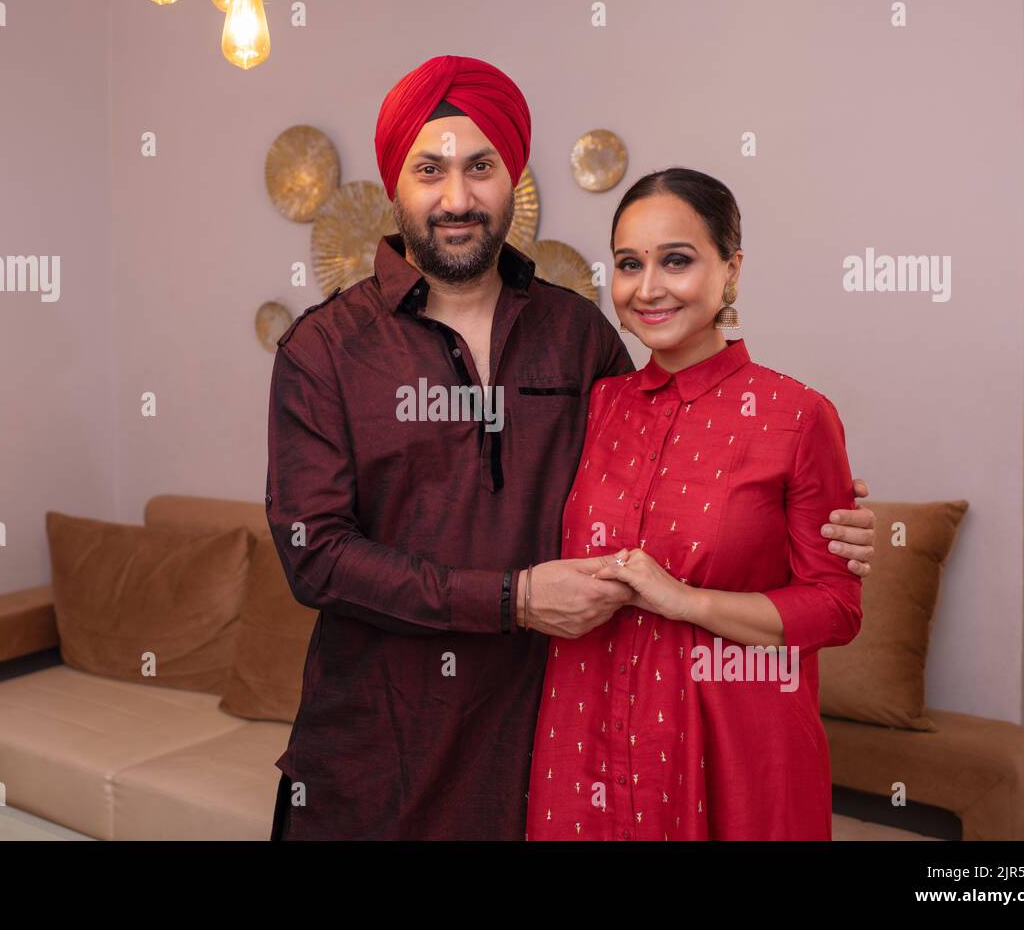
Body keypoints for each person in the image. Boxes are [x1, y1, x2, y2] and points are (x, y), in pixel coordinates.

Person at [264, 55, 875, 840]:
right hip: (373, 759)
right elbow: (315, 558)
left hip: (538, 760)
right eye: (430, 169)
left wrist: (823, 514)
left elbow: (669, 454)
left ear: (510, 178)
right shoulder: (324, 350)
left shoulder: (578, 335)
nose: (457, 196)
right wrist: (513, 597)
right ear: (397, 186)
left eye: (480, 166)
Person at [525, 168, 859, 840]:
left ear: (731, 271)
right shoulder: (592, 409)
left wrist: (684, 600)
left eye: (676, 260)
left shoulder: (795, 416)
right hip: (585, 733)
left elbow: (836, 607)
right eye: (628, 264)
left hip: (735, 743)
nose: (648, 288)